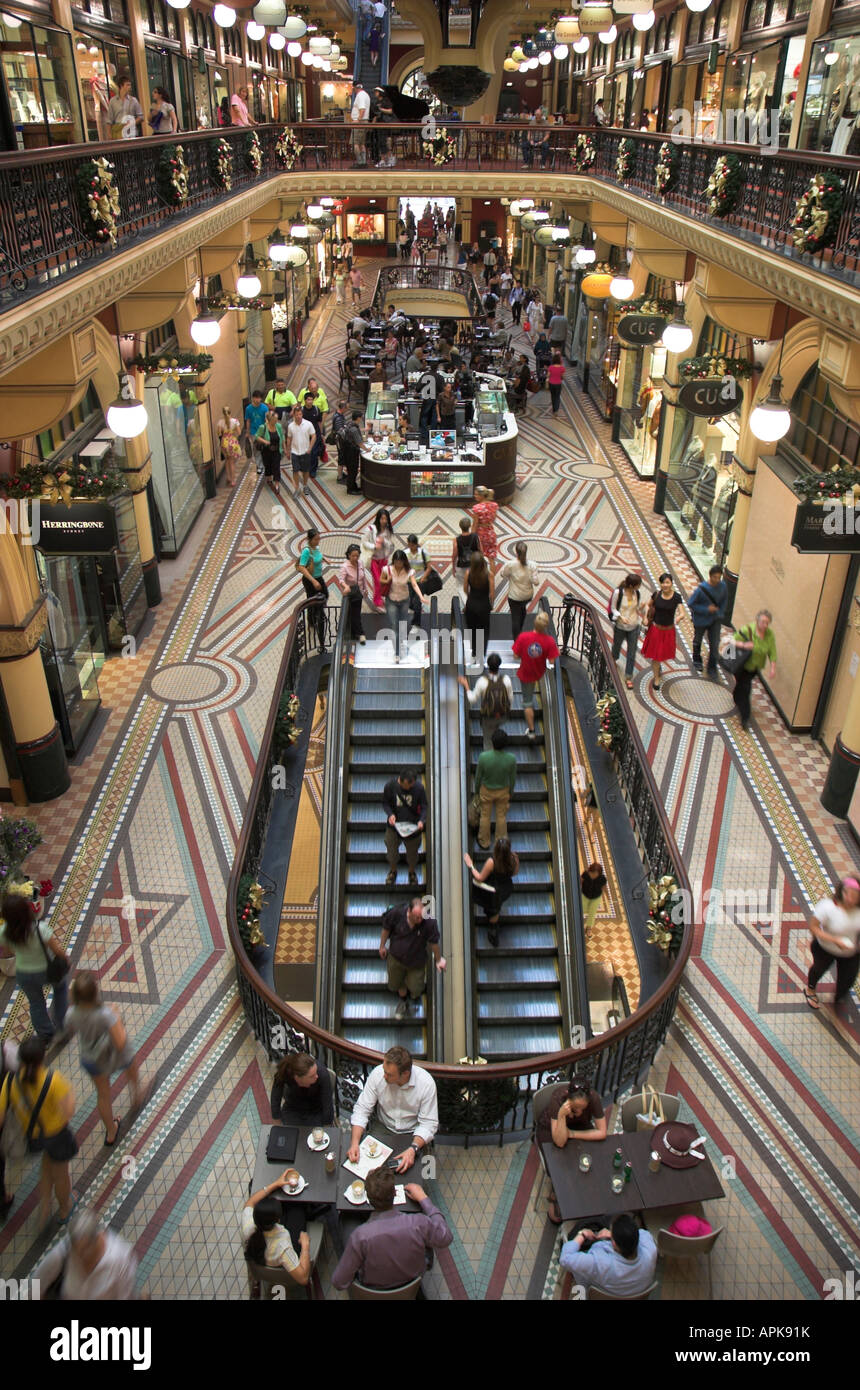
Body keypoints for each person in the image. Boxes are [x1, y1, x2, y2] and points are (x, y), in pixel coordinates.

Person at [332, 1165, 451, 1293]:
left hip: (373, 1289)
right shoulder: (419, 1223)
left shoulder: (360, 1236)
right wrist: (424, 1198)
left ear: (369, 1199)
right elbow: (446, 1237)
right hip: (411, 1283)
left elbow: (339, 1282)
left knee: (346, 1218)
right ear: (395, 1193)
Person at [0, 1035, 77, 1226]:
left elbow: (1, 1117)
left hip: (32, 1136)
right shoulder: (53, 1080)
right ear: (42, 1058)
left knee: (45, 1168)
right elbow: (69, 1112)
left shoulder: (10, 1080)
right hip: (56, 1135)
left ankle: (44, 1207)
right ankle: (64, 1208)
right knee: (60, 1174)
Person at [66, 971, 147, 1147]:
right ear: (95, 992)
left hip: (91, 1059)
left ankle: (111, 1132)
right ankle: (136, 1095)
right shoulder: (105, 1014)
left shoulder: (72, 1013)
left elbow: (71, 1027)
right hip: (113, 1055)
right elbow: (120, 1042)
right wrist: (117, 1017)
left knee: (103, 1094)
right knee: (131, 1067)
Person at [348, 1045, 438, 1173]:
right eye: (384, 1070)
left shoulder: (426, 1083)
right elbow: (362, 1109)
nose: (384, 1076)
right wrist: (354, 1142)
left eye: (389, 1074)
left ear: (405, 1074)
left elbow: (429, 1124)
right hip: (383, 1127)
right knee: (365, 1170)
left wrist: (413, 1148)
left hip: (414, 1132)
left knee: (428, 1177)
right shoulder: (378, 1074)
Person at [536, 1074, 608, 1223]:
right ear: (568, 1100)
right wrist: (562, 1115)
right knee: (560, 1163)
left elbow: (601, 1132)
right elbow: (560, 1141)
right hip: (550, 1130)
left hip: (577, 1128)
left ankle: (582, 1189)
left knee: (591, 1157)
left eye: (583, 1108)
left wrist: (573, 1134)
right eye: (575, 1109)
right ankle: (558, 1192)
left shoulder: (594, 1099)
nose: (579, 1112)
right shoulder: (557, 1100)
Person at [0, 892, 70, 1043]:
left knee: (36, 1003)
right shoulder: (40, 929)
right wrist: (66, 960)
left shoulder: (3, 932)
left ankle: (46, 1035)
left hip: (24, 974)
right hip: (48, 970)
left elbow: (8, 951)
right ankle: (61, 1027)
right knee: (61, 990)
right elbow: (57, 951)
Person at [31, 1208, 138, 1300]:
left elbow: (125, 1295)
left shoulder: (121, 1258)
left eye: (85, 1250)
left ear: (97, 1239)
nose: (80, 1256)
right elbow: (37, 1281)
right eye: (76, 1251)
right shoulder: (64, 1252)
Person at [380, 896, 445, 1021]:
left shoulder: (429, 922)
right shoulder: (396, 913)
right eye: (417, 917)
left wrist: (438, 959)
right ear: (408, 912)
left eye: (421, 917)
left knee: (416, 987)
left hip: (416, 963)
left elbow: (434, 943)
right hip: (396, 959)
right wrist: (382, 946)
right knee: (397, 982)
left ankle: (414, 997)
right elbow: (386, 929)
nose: (419, 920)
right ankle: (403, 1001)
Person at [561, 1213, 657, 1296]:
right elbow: (643, 1233)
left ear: (614, 1243)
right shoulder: (650, 1251)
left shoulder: (601, 1263)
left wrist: (583, 1234)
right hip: (634, 1292)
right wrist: (616, 1235)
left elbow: (565, 1258)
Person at [803, 877, 860, 1011]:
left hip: (851, 953)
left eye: (855, 897)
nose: (850, 900)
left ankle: (838, 996)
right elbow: (814, 927)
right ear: (841, 892)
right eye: (848, 894)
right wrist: (835, 940)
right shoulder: (828, 906)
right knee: (818, 969)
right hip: (825, 948)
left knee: (848, 979)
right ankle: (810, 989)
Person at [241, 1179, 311, 1288]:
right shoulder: (283, 1247)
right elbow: (303, 1279)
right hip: (281, 1260)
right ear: (278, 1220)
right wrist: (305, 1245)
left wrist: (276, 1184)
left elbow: (249, 1202)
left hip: (265, 1256)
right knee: (297, 1209)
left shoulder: (248, 1226)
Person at [513, 611, 560, 741]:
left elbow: (516, 656)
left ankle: (532, 731)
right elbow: (551, 661)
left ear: (534, 623)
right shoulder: (549, 641)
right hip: (538, 672)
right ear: (546, 626)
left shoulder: (523, 637)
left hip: (526, 673)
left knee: (527, 702)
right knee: (532, 687)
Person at [464, 838, 519, 947]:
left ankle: (493, 929)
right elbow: (515, 872)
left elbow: (479, 877)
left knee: (493, 908)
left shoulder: (492, 862)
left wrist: (470, 865)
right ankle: (493, 925)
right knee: (496, 905)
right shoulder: (514, 859)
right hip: (505, 888)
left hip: (493, 889)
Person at [728, 608, 777, 730]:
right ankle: (745, 717)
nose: (765, 625)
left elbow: (772, 651)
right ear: (757, 620)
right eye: (763, 622)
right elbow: (731, 640)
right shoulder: (748, 630)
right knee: (746, 689)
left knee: (742, 687)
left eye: (767, 623)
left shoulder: (769, 635)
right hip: (742, 665)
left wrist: (772, 667)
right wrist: (744, 645)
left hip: (754, 667)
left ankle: (736, 696)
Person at [458, 651, 513, 750]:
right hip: (502, 716)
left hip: (488, 717)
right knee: (497, 732)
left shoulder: (482, 682)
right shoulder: (506, 680)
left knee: (488, 740)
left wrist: (466, 686)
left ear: (488, 665)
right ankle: (498, 749)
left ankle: (489, 757)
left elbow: (472, 699)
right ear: (499, 665)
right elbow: (510, 699)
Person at [381, 549, 428, 663]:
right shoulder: (387, 569)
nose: (398, 564)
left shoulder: (409, 571)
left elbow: (414, 584)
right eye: (396, 562)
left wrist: (421, 597)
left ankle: (400, 641)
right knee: (394, 625)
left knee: (402, 624)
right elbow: (381, 580)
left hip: (404, 601)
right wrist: (387, 580)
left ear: (404, 561)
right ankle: (397, 653)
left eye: (400, 562)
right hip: (391, 601)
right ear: (394, 561)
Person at [474, 726, 517, 850]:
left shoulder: (483, 757)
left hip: (486, 790)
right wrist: (511, 792)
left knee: (485, 816)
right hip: (503, 790)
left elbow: (478, 777)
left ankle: (484, 841)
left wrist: (477, 791)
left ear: (492, 742)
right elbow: (512, 778)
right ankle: (501, 841)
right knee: (501, 817)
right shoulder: (511, 759)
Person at [383, 767, 426, 887]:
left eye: (412, 785)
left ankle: (411, 873)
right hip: (394, 828)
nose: (410, 788)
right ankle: (393, 871)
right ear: (401, 781)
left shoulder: (418, 788)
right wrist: (390, 814)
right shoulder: (390, 787)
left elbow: (424, 806)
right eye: (408, 785)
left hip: (412, 829)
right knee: (392, 853)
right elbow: (385, 803)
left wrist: (422, 821)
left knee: (412, 854)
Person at [641, 572, 683, 691]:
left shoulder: (676, 597)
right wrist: (645, 617)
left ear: (671, 583)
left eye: (667, 582)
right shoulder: (657, 594)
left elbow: (682, 611)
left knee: (662, 654)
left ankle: (658, 668)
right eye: (663, 582)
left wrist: (680, 617)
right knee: (656, 656)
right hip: (656, 629)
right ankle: (656, 678)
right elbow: (648, 606)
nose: (665, 585)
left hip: (668, 630)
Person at [270, 1051, 334, 1124]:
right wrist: (276, 1118)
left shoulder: (322, 1074)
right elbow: (276, 1094)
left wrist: (326, 1125)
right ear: (297, 1078)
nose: (316, 1076)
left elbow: (327, 1105)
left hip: (315, 1110)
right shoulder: (287, 1071)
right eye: (311, 1076)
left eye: (316, 1072)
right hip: (292, 1107)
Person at [688, 565, 728, 677]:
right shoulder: (701, 589)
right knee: (697, 640)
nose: (717, 580)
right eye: (715, 577)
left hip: (715, 620)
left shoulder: (723, 586)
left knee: (715, 644)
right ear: (710, 576)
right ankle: (697, 659)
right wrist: (706, 609)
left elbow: (724, 600)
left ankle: (712, 667)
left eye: (719, 577)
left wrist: (720, 613)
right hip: (701, 619)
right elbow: (691, 603)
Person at [609, 573, 646, 689]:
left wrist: (641, 608)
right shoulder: (618, 593)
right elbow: (613, 608)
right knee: (617, 646)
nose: (639, 588)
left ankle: (628, 676)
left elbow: (636, 608)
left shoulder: (637, 593)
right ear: (631, 586)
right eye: (638, 585)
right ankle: (613, 659)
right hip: (620, 626)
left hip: (634, 626)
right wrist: (620, 617)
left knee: (631, 651)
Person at [297, 527, 329, 644]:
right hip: (310, 580)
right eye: (316, 539)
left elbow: (317, 555)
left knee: (325, 593)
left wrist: (323, 558)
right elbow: (301, 567)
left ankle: (318, 613)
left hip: (318, 577)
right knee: (311, 601)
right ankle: (312, 621)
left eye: (319, 539)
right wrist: (313, 581)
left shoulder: (316, 547)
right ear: (309, 539)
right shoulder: (306, 551)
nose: (318, 541)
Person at [501, 541, 538, 640]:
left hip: (515, 597)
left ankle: (517, 643)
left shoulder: (510, 564)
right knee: (522, 611)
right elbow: (536, 582)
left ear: (516, 552)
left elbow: (503, 574)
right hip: (527, 596)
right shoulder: (532, 565)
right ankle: (520, 633)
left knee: (515, 619)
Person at [362, 507, 396, 609]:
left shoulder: (388, 530)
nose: (384, 521)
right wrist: (374, 546)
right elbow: (364, 542)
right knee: (377, 581)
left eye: (386, 519)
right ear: (378, 519)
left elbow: (390, 544)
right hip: (373, 559)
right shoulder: (371, 530)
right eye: (382, 519)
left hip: (383, 560)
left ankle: (381, 598)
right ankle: (377, 602)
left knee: (385, 580)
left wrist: (384, 542)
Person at [464, 551, 493, 667]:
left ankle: (474, 653)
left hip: (471, 605)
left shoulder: (468, 573)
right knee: (484, 630)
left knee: (472, 630)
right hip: (484, 605)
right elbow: (491, 593)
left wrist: (470, 597)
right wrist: (491, 603)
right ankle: (482, 654)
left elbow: (465, 589)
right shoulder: (488, 574)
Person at [337, 542, 370, 643]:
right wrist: (346, 586)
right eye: (353, 556)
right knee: (349, 613)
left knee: (356, 614)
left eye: (357, 555)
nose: (355, 558)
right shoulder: (345, 566)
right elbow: (341, 580)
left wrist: (365, 589)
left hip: (358, 593)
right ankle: (356, 633)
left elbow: (363, 577)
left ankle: (358, 633)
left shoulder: (360, 563)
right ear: (348, 555)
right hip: (349, 593)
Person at [286, 402, 317, 499]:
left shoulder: (308, 424)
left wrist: (310, 448)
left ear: (302, 414)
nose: (298, 416)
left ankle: (305, 485)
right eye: (296, 415)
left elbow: (314, 436)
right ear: (294, 415)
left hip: (305, 452)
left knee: (306, 470)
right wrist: (288, 450)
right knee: (295, 471)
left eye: (300, 414)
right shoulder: (291, 426)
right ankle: (296, 488)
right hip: (295, 452)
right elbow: (289, 438)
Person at [405, 533, 433, 631]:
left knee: (417, 603)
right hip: (409, 581)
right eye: (409, 544)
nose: (411, 547)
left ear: (416, 544)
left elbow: (429, 567)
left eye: (413, 545)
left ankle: (416, 624)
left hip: (420, 582)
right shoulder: (406, 553)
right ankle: (417, 608)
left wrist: (423, 577)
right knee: (409, 602)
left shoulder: (423, 553)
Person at [255, 408, 284, 495]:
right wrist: (265, 441)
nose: (276, 421)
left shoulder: (278, 426)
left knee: (276, 466)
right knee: (268, 466)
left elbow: (282, 437)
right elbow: (257, 436)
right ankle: (269, 478)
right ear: (270, 420)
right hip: (266, 451)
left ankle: (277, 484)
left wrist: (284, 448)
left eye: (276, 420)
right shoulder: (263, 427)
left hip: (276, 450)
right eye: (274, 420)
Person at [106, 73, 142, 138]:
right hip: (118, 131)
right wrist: (109, 134)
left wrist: (131, 123)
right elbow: (109, 120)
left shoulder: (133, 100)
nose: (130, 87)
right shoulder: (113, 101)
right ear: (121, 86)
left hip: (131, 132)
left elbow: (141, 117)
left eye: (130, 85)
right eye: (127, 85)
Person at [216, 405, 241, 487]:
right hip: (232, 442)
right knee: (232, 462)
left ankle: (228, 477)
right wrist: (232, 433)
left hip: (224, 442)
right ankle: (233, 480)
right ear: (230, 412)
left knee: (226, 460)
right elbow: (239, 432)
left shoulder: (220, 422)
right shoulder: (235, 421)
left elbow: (219, 433)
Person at [243, 390, 268, 474]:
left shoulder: (264, 408)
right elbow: (248, 420)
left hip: (263, 431)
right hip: (254, 432)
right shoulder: (248, 408)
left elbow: (267, 420)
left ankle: (265, 463)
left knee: (264, 448)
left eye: (259, 398)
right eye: (256, 398)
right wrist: (247, 432)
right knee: (256, 449)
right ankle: (259, 466)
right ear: (253, 398)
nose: (258, 400)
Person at [581, 861, 607, 937]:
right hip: (585, 895)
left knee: (592, 913)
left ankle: (589, 928)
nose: (593, 876)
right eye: (592, 873)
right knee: (582, 909)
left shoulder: (602, 879)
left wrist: (605, 897)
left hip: (596, 897)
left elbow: (603, 887)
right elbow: (580, 881)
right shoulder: (585, 874)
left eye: (595, 874)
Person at [342, 410, 365, 494]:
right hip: (352, 452)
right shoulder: (354, 429)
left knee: (352, 470)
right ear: (358, 418)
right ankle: (350, 489)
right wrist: (367, 449)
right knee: (353, 471)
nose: (361, 419)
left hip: (348, 451)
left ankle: (353, 486)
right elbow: (359, 443)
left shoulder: (349, 424)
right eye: (361, 417)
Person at [350, 81, 371, 166]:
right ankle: (363, 161)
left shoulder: (360, 95)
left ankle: (360, 162)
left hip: (359, 122)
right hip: (364, 121)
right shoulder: (366, 95)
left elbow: (362, 109)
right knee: (362, 143)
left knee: (355, 143)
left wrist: (358, 120)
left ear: (355, 87)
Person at [547, 350, 566, 414]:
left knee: (553, 396)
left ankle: (554, 408)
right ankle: (556, 410)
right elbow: (562, 377)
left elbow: (548, 375)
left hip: (551, 384)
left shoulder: (551, 367)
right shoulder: (562, 368)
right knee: (557, 396)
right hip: (558, 384)